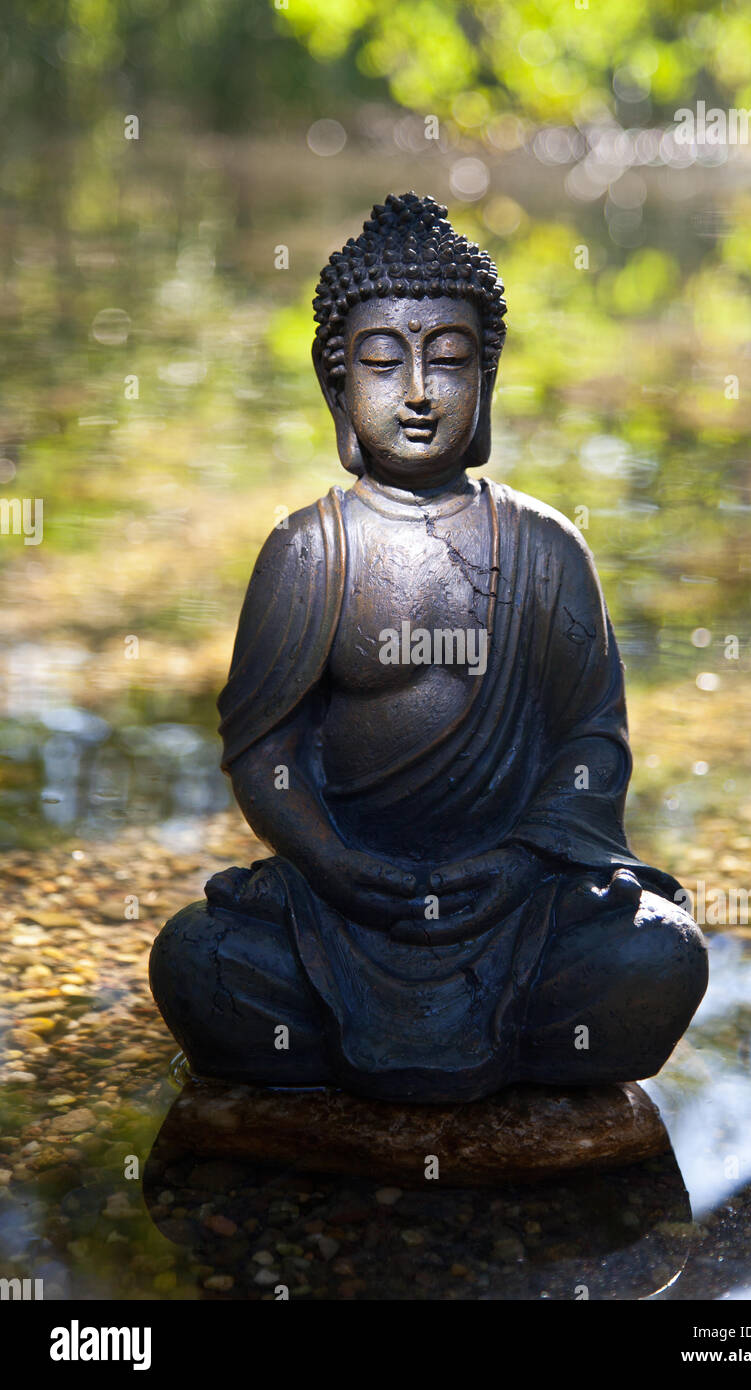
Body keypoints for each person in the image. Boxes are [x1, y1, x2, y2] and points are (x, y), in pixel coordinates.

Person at [150, 192, 708, 1102]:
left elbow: (592, 743)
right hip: (345, 908)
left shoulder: (546, 546)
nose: (417, 391)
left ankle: (496, 1029)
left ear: (486, 379)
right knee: (197, 958)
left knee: (658, 953)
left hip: (515, 902)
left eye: (447, 359)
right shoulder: (307, 551)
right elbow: (265, 752)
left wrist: (525, 856)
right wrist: (333, 863)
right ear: (338, 385)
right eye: (382, 361)